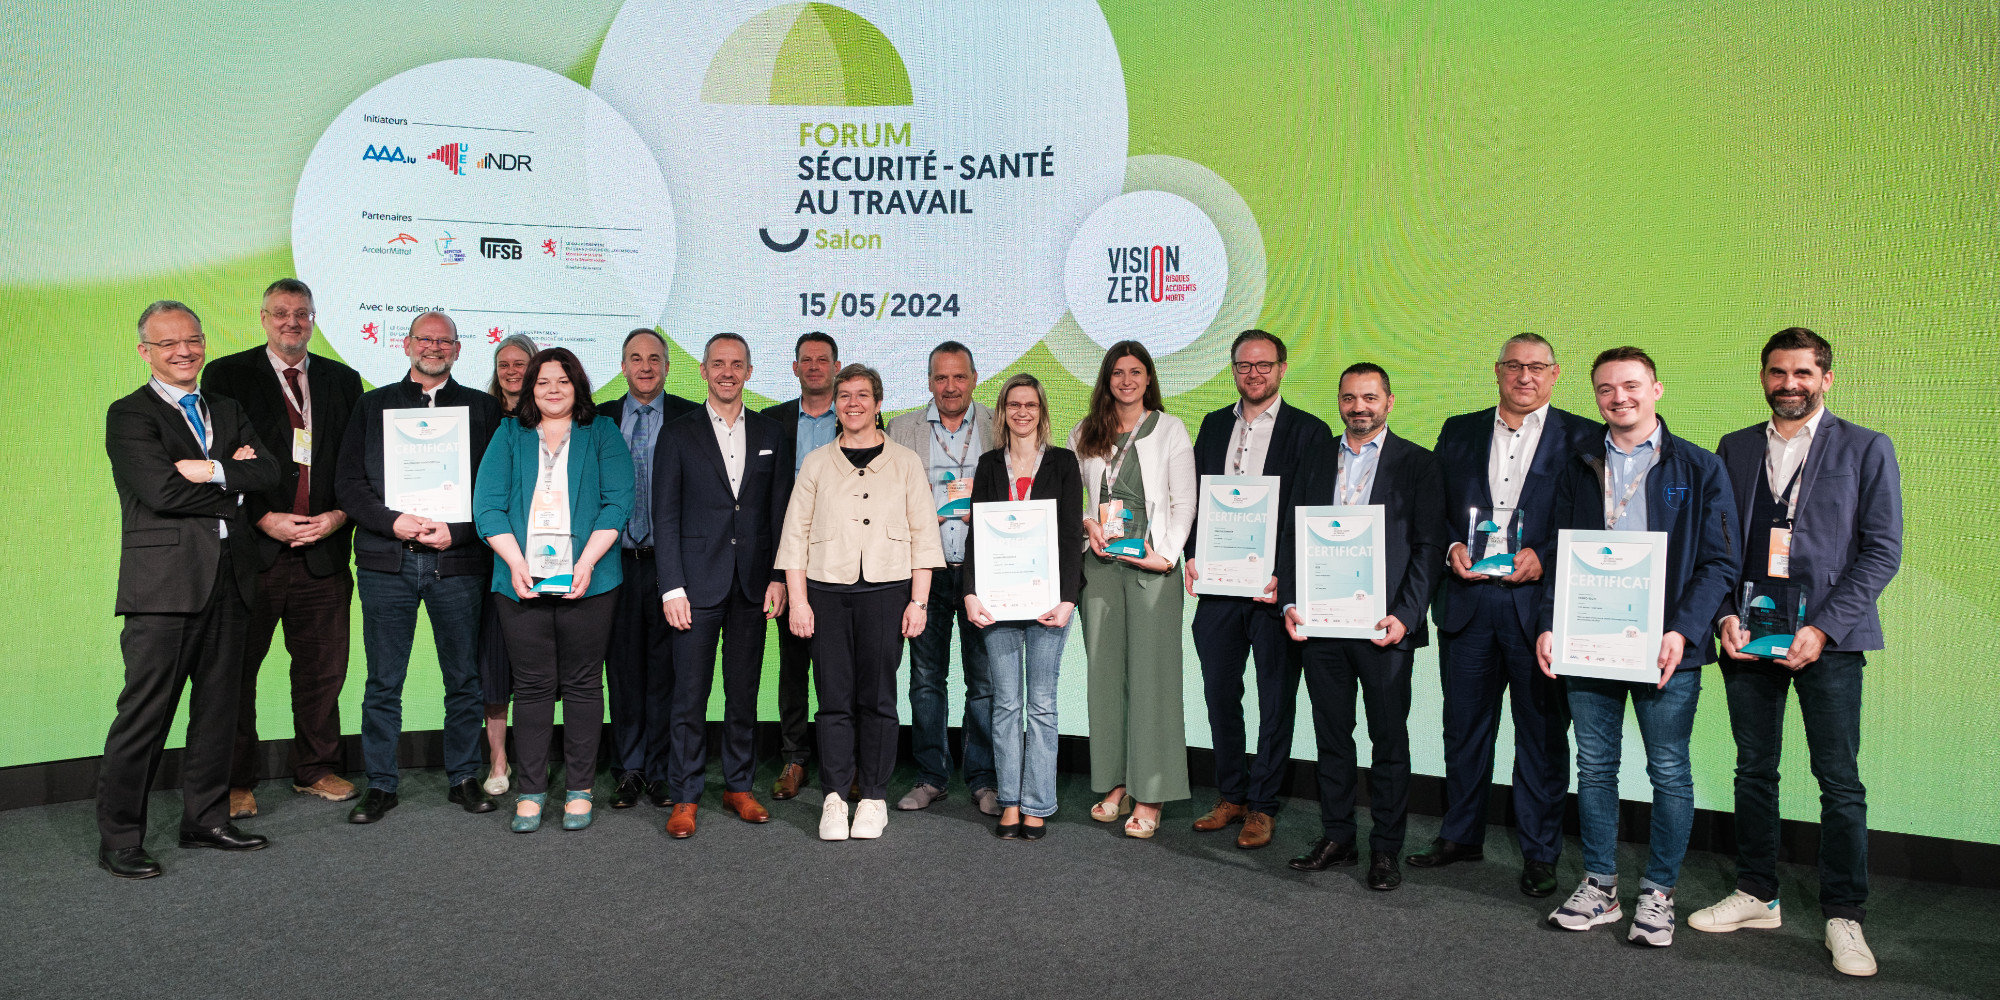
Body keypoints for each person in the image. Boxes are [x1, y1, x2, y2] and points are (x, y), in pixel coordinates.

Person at [1689, 328, 1902, 977]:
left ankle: (1845, 914)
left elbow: (1881, 550)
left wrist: (1825, 629)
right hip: (1749, 640)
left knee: (1838, 781)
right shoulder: (1735, 447)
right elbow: (1717, 545)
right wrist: (1724, 614)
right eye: (1778, 373)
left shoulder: (1867, 448)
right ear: (1763, 377)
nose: (1789, 384)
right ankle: (1758, 892)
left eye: (1803, 373)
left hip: (1828, 643)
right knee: (1754, 769)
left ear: (1826, 378)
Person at [1536, 346, 1736, 947]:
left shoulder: (1700, 467)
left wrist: (1682, 631)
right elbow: (1556, 552)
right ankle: (1601, 886)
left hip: (1666, 649)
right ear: (1594, 396)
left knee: (1668, 770)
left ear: (1657, 390)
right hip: (1589, 643)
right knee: (1594, 767)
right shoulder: (1576, 465)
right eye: (1605, 389)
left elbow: (1719, 562)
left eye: (1631, 385)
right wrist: (1550, 623)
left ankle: (1659, 893)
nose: (1618, 397)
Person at [1413, 332, 1598, 896]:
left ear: (1555, 373)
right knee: (1464, 728)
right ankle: (1460, 833)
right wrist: (1451, 548)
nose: (1525, 376)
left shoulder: (1585, 437)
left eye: (1537, 367)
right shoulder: (1458, 430)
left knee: (1542, 735)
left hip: (1536, 609)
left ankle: (1539, 851)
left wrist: (1545, 557)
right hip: (1468, 602)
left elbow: (1592, 520)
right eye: (1514, 366)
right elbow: (1435, 509)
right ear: (1497, 371)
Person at [99, 300, 279, 878]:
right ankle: (122, 836)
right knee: (144, 716)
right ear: (145, 351)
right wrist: (233, 474)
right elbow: (161, 493)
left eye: (193, 340)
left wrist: (210, 468)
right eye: (168, 343)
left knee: (217, 714)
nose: (184, 351)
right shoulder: (130, 415)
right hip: (164, 589)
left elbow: (269, 471)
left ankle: (206, 820)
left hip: (231, 580)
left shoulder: (225, 407)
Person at [199, 279, 364, 817]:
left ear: (314, 318)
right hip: (256, 551)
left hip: (324, 552)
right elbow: (219, 459)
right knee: (236, 672)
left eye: (301, 313)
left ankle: (315, 769)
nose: (291, 322)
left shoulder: (343, 380)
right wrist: (262, 518)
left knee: (322, 670)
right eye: (281, 313)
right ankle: (235, 779)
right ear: (263, 318)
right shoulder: (227, 375)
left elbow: (355, 463)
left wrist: (339, 516)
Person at [1280, 363, 1444, 891]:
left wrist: (1407, 616)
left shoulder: (1418, 464)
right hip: (1323, 628)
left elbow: (1427, 548)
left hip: (1383, 629)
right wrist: (1288, 600)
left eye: (1369, 397)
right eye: (1349, 397)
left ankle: (1386, 849)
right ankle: (1337, 836)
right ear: (1339, 402)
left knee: (1389, 742)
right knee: (1332, 738)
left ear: (1389, 402)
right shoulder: (1313, 456)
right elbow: (1289, 534)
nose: (1359, 407)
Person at [337, 310, 503, 823]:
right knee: (383, 681)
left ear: (458, 350)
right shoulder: (372, 405)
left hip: (458, 563)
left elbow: (498, 491)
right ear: (406, 344)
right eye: (424, 339)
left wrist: (459, 531)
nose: (433, 348)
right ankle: (382, 783)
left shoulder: (484, 410)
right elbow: (349, 485)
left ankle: (464, 776)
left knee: (465, 679)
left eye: (444, 341)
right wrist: (395, 522)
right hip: (389, 563)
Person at [776, 364, 943, 841]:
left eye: (862, 395)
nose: (853, 403)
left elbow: (923, 537)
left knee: (878, 700)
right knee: (833, 701)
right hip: (826, 593)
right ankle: (833, 797)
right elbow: (794, 538)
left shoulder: (906, 461)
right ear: (835, 402)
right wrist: (800, 603)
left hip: (887, 594)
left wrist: (919, 602)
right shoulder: (815, 462)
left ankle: (872, 796)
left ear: (878, 402)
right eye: (844, 395)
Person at [474, 347, 633, 832]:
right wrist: (517, 563)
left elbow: (617, 502)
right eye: (543, 381)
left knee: (585, 684)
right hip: (519, 580)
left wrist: (586, 563)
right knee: (534, 686)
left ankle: (580, 788)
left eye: (562, 380)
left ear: (577, 385)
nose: (553, 389)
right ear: (530, 388)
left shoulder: (601, 432)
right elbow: (488, 506)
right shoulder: (508, 434)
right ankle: (532, 789)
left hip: (591, 578)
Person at [1183, 330, 1331, 849]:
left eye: (1264, 365)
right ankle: (1231, 795)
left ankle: (1263, 806)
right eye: (1245, 365)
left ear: (1283, 369)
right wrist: (1192, 557)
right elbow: (1195, 502)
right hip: (1219, 591)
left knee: (1275, 701)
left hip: (1272, 593)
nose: (1254, 374)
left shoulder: (1310, 431)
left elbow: (1310, 513)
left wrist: (1286, 579)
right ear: (1233, 370)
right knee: (1221, 696)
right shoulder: (1212, 424)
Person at [655, 333, 792, 837]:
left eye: (737, 364)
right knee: (689, 695)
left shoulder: (772, 431)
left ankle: (739, 785)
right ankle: (685, 793)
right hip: (693, 585)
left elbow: (779, 513)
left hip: (754, 586)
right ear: (704, 372)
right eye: (718, 364)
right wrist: (671, 586)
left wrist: (779, 576)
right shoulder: (678, 432)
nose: (727, 372)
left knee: (743, 692)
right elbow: (664, 514)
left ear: (750, 372)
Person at [1070, 341, 1196, 839]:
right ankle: (1116, 783)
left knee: (1152, 680)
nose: (1126, 380)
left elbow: (1184, 502)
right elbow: (1081, 500)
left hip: (1152, 569)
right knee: (1104, 677)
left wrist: (1166, 554)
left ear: (1149, 379)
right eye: (1117, 372)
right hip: (1100, 568)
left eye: (1136, 371)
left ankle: (1151, 792)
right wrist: (1085, 527)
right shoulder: (1086, 431)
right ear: (1106, 378)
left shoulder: (1170, 429)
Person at [963, 374, 1083, 839]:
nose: (1022, 412)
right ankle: (1010, 801)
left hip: (1048, 602)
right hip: (997, 602)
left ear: (1042, 410)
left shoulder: (1064, 463)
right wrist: (970, 592)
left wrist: (1069, 597)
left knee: (1043, 705)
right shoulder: (989, 464)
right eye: (1014, 404)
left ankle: (1038, 802)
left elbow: (1071, 535)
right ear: (1002, 412)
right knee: (1007, 704)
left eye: (1031, 404)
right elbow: (977, 534)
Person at [887, 341, 1001, 813]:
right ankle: (931, 776)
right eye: (940, 378)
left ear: (974, 378)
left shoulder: (1001, 422)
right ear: (928, 381)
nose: (950, 387)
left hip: (985, 570)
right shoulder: (901, 428)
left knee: (986, 682)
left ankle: (983, 779)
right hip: (926, 572)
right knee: (926, 679)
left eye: (959, 377)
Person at [599, 329, 698, 809]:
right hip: (611, 563)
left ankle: (661, 770)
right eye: (635, 359)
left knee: (666, 671)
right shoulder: (597, 420)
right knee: (621, 670)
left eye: (654, 359)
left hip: (668, 565)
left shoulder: (690, 418)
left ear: (667, 367)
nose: (645, 366)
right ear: (622, 367)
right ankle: (628, 768)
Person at [759, 332, 841, 799]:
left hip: (841, 565)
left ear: (835, 366)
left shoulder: (860, 419)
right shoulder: (771, 424)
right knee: (792, 668)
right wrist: (776, 571)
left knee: (838, 668)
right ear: (794, 369)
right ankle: (794, 759)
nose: (814, 367)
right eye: (806, 360)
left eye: (822, 360)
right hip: (788, 564)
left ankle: (839, 759)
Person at [475, 333, 537, 796]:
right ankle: (498, 761)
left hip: (549, 560)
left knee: (539, 667)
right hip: (491, 560)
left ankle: (534, 758)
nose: (511, 370)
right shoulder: (481, 417)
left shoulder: (561, 420)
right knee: (494, 664)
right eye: (504, 363)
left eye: (520, 363)